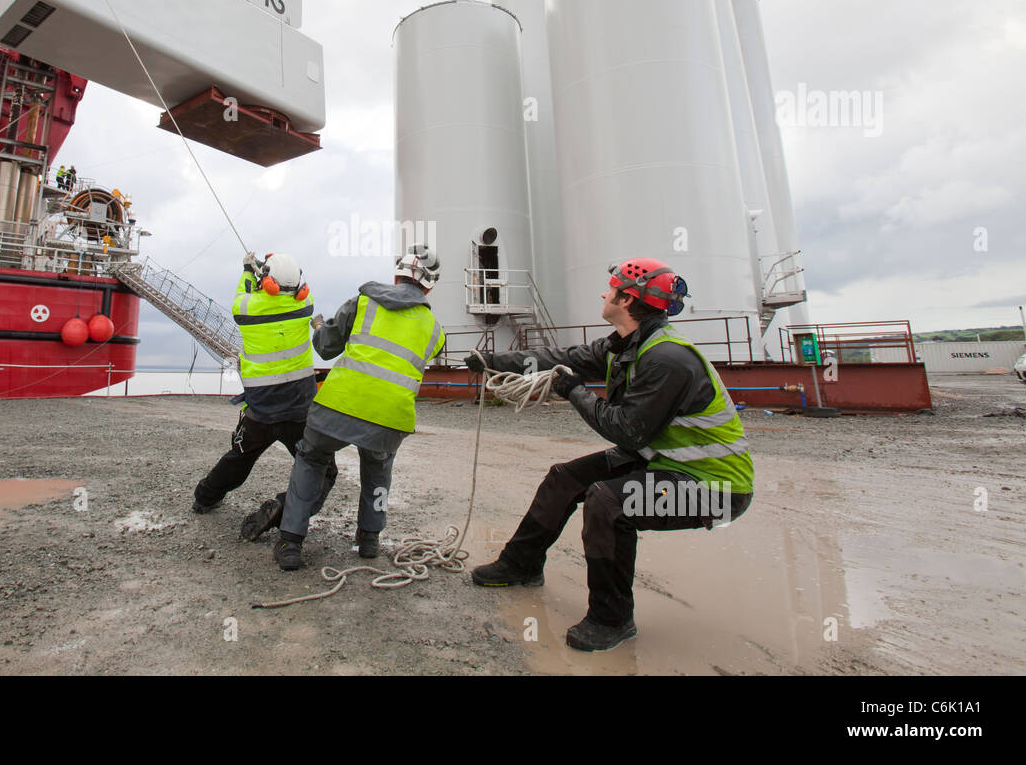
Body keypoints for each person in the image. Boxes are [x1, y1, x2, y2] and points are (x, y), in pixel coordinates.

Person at [465, 257, 754, 652]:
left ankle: (612, 619)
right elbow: (561, 359)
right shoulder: (625, 346)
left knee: (609, 502)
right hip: (666, 463)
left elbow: (625, 429)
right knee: (564, 478)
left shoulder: (667, 359)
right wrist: (492, 362)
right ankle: (521, 564)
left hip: (716, 488)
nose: (604, 293)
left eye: (611, 288)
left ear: (627, 298)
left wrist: (574, 392)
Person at [268, 245, 446, 570]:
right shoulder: (435, 330)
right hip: (390, 418)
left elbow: (325, 348)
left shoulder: (363, 302)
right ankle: (369, 539)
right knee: (379, 467)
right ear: (430, 286)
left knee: (311, 458)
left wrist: (320, 328)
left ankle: (291, 542)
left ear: (397, 274)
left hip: (339, 405)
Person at [193, 252, 338, 527]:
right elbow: (290, 291)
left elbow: (243, 294)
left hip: (260, 411)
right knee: (323, 470)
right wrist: (267, 274)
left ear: (267, 283)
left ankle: (205, 497)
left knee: (238, 460)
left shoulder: (247, 310)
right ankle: (284, 509)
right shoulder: (305, 305)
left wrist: (249, 271)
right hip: (300, 412)